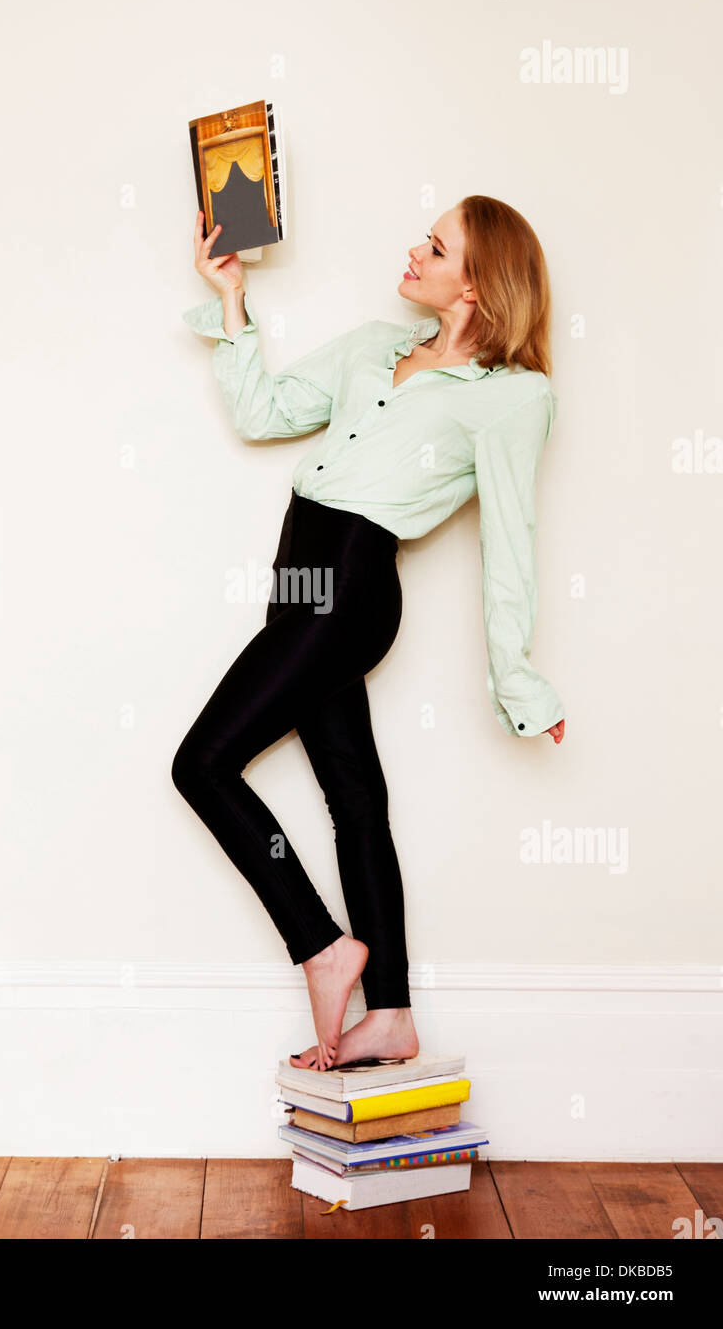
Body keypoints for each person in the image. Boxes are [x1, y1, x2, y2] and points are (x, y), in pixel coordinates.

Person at [172, 197, 566, 1073]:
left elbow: (511, 541)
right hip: (296, 573)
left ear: (478, 283)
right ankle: (390, 1013)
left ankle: (322, 947)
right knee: (355, 799)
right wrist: (230, 298)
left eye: (437, 248)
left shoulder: (513, 398)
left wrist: (518, 681)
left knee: (201, 764)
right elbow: (264, 413)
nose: (415, 252)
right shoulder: (372, 347)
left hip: (351, 585)